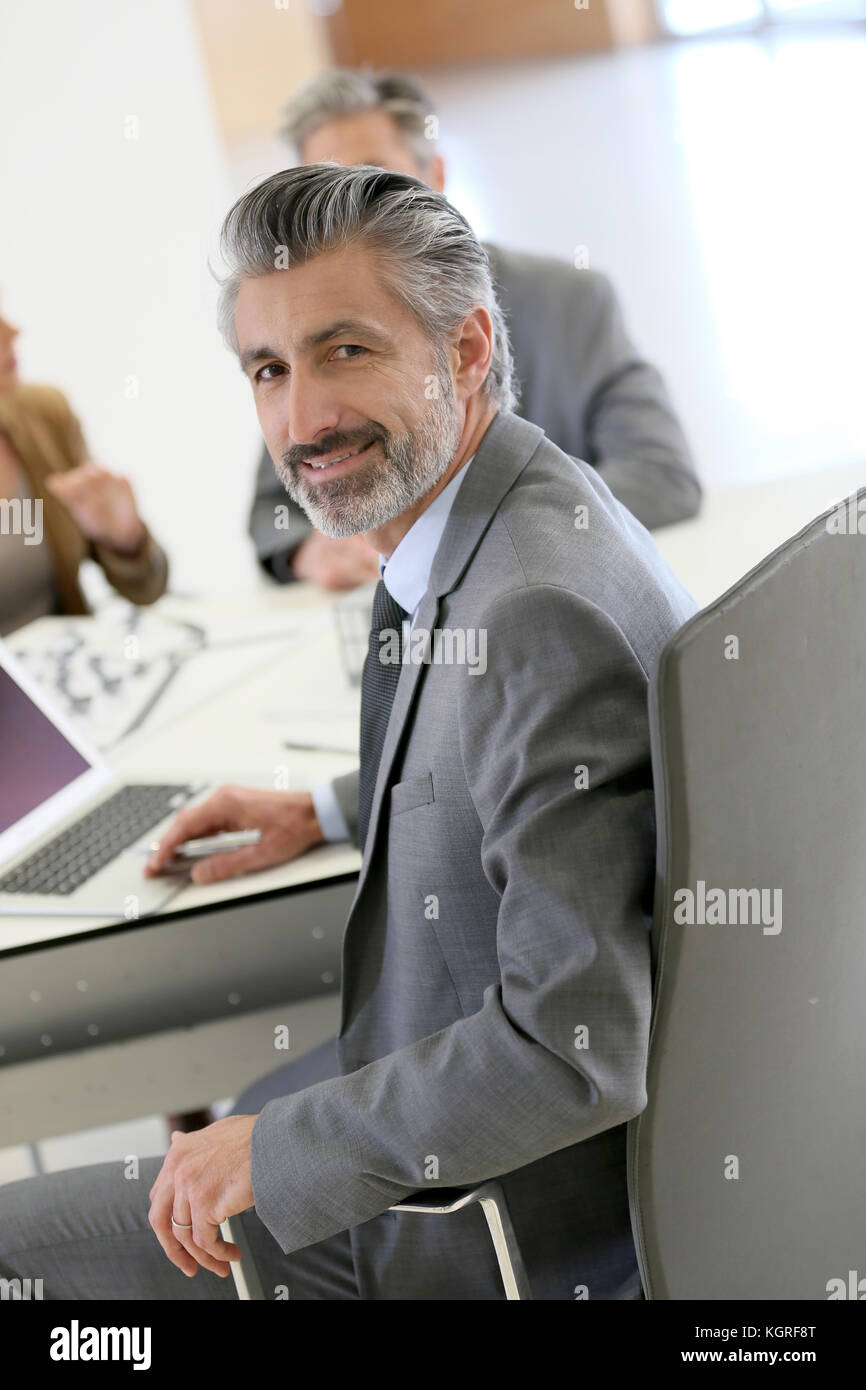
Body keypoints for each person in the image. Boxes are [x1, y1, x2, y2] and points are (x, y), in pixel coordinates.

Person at [0, 164, 697, 1300]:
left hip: (486, 1231)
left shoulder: (527, 609)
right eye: (268, 369)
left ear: (465, 351)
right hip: (479, 1155)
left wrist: (273, 1152)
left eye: (346, 351)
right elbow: (521, 770)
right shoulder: (510, 512)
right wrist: (321, 807)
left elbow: (574, 1045)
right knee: (229, 1118)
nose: (301, 420)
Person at [248, 69, 702, 593]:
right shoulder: (311, 337)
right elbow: (272, 514)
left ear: (435, 179)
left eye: (375, 182)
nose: (348, 214)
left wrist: (454, 534)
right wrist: (311, 550)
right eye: (326, 191)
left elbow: (660, 474)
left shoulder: (569, 301)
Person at [0, 301, 167, 635]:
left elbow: (147, 589)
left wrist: (126, 542)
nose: (13, 331)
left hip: (51, 677)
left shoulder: (44, 415)